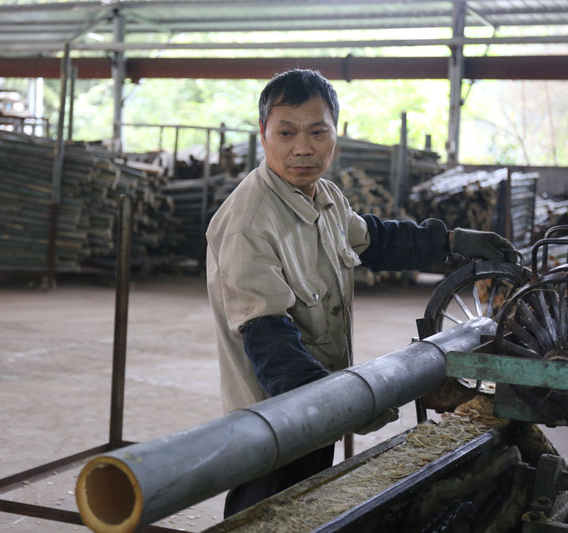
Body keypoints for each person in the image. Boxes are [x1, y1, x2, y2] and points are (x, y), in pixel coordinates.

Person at [205, 69, 516, 518]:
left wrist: (449, 242)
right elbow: (269, 343)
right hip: (274, 421)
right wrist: (341, 404)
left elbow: (373, 238)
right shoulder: (249, 224)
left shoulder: (325, 197)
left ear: (336, 133)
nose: (303, 148)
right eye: (286, 132)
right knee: (265, 518)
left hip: (316, 410)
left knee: (311, 512)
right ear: (263, 134)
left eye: (317, 131)